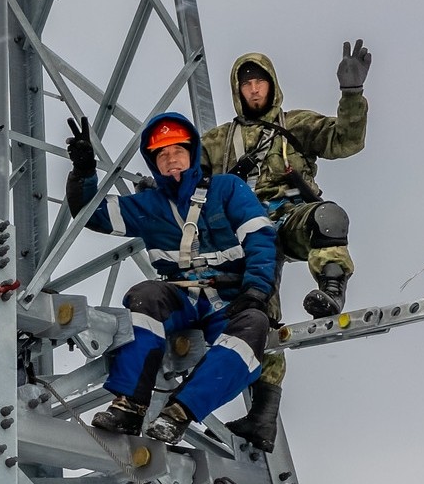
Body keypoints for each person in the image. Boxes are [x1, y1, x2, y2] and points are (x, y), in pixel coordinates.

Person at [65, 111, 279, 446]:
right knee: (146, 295)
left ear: (192, 153)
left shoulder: (226, 190)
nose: (171, 159)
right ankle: (130, 405)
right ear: (154, 164)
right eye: (162, 155)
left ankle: (180, 411)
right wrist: (83, 171)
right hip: (182, 299)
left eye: (177, 151)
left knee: (252, 328)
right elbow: (93, 215)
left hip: (229, 300)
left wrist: (256, 289)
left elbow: (260, 238)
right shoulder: (150, 205)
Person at [199, 40, 371, 452]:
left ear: (271, 85)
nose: (254, 90)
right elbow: (183, 176)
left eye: (259, 82)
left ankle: (331, 292)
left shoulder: (295, 125)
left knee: (327, 217)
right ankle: (263, 417)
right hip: (245, 235)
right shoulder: (219, 142)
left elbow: (345, 141)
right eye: (247, 85)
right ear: (237, 91)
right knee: (257, 317)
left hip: (288, 217)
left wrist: (352, 95)